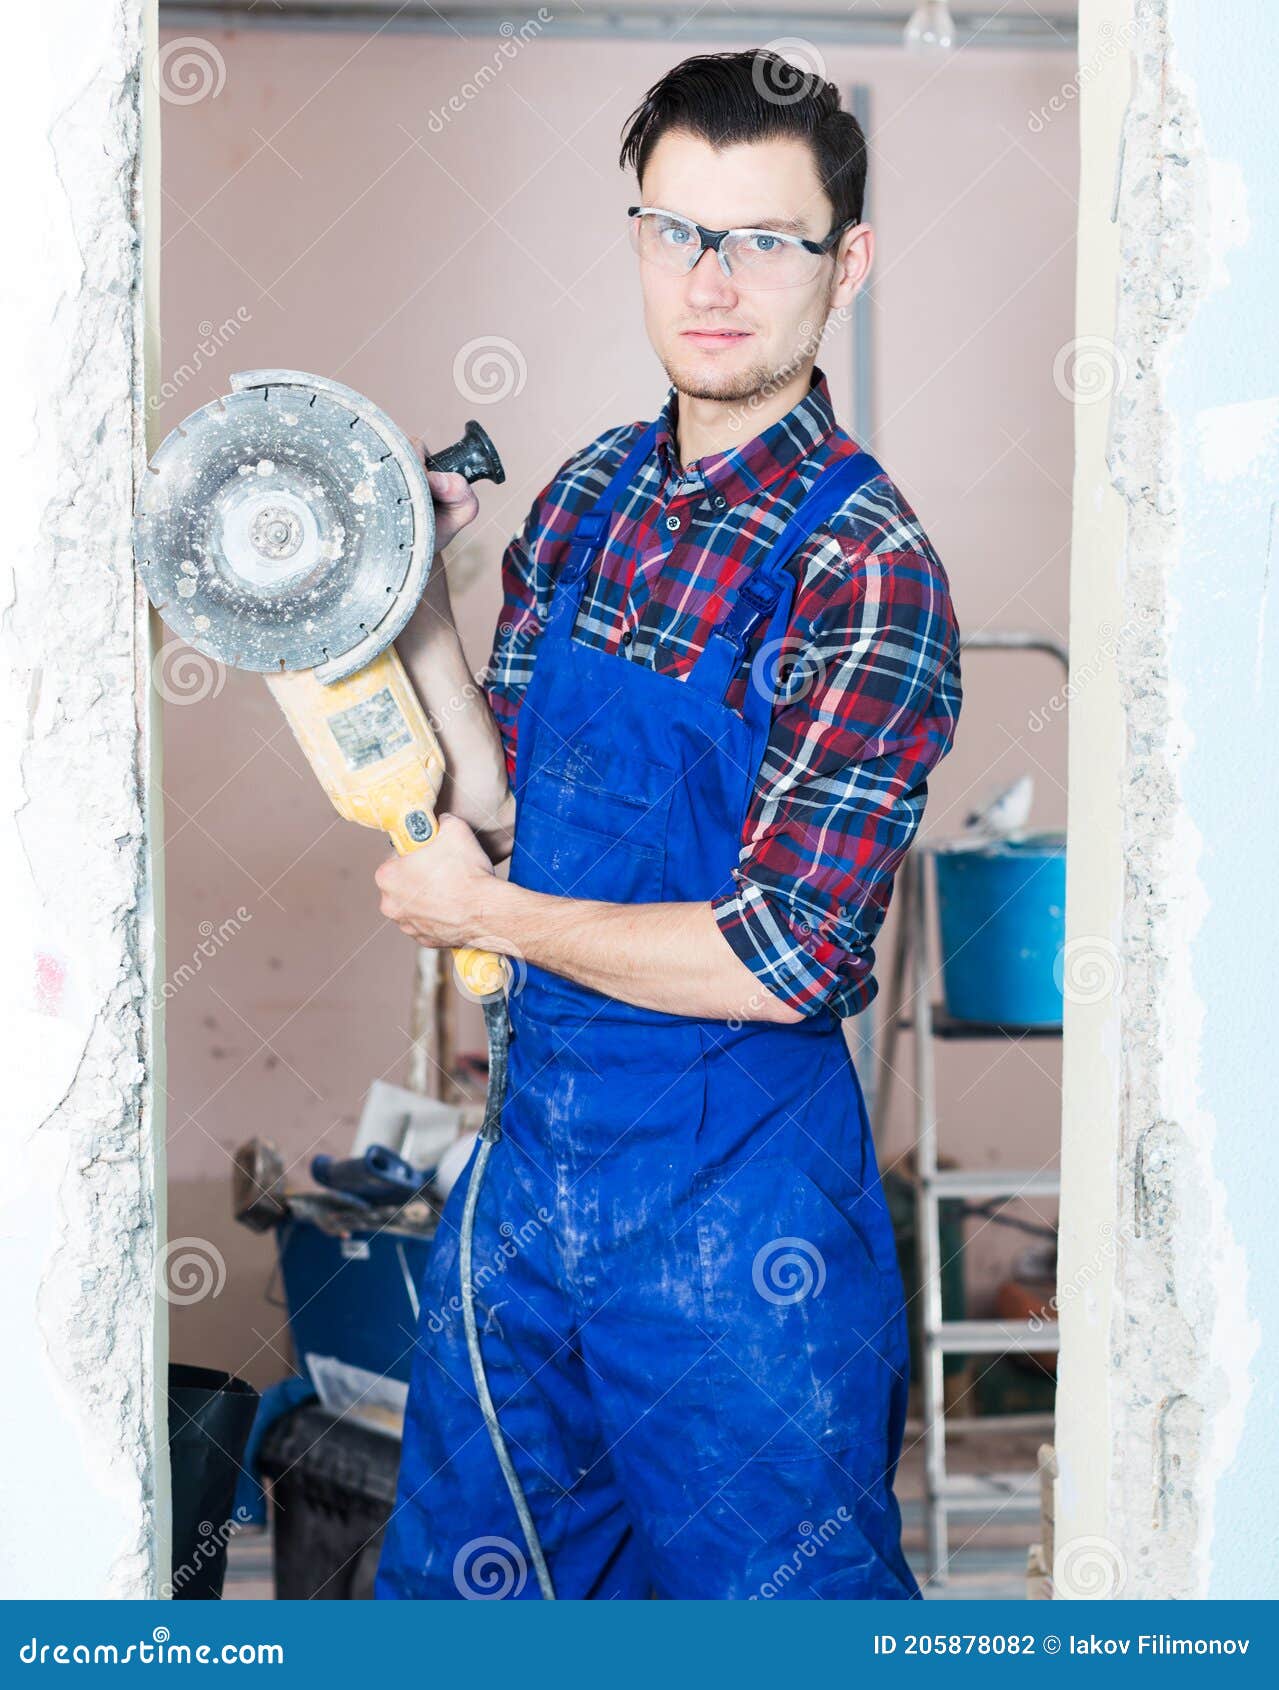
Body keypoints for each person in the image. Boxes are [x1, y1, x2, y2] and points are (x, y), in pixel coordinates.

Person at [373, 48, 961, 1601]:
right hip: (528, 1206)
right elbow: (502, 799)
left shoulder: (863, 567)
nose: (716, 280)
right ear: (638, 237)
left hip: (738, 1246)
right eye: (678, 230)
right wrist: (410, 593)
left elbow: (784, 956)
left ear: (850, 264)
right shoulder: (582, 500)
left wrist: (483, 919)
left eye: (767, 238)